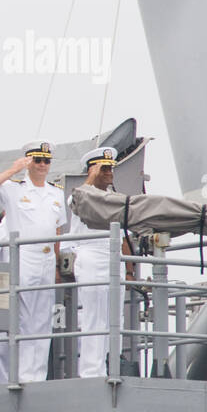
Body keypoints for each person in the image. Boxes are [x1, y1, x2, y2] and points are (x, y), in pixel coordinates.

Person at [0, 140, 69, 383]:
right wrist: (13, 169)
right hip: (23, 257)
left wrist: (58, 264)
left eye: (46, 160)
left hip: (47, 259)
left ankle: (34, 376)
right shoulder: (14, 187)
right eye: (37, 160)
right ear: (28, 162)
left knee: (42, 321)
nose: (42, 165)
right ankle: (18, 376)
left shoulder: (56, 192)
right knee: (23, 318)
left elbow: (57, 229)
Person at [66, 145, 131, 378]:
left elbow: (125, 237)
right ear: (92, 170)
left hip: (114, 257)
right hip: (91, 254)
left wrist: (130, 271)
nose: (109, 173)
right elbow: (77, 199)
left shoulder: (115, 199)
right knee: (93, 316)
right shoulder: (79, 196)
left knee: (115, 317)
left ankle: (110, 367)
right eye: (104, 168)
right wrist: (91, 178)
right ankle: (91, 372)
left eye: (111, 168)